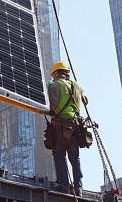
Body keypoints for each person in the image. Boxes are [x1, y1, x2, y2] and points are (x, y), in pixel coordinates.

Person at [48, 61, 88, 195]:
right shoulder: (76, 85)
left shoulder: (53, 86)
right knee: (74, 158)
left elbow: (51, 107)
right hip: (76, 126)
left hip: (61, 126)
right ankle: (78, 187)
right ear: (66, 73)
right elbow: (85, 99)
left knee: (59, 155)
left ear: (54, 74)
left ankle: (64, 185)